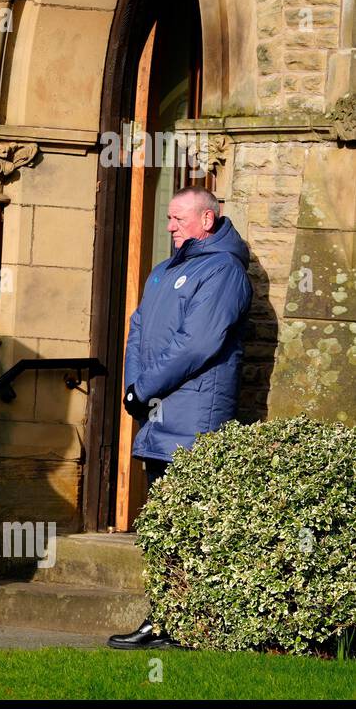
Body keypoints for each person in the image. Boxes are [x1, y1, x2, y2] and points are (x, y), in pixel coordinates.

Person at [108, 186, 253, 650]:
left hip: (193, 416)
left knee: (188, 526)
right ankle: (167, 619)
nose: (169, 227)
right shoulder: (165, 270)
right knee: (165, 525)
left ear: (207, 219)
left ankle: (183, 625)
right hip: (158, 414)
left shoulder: (223, 270)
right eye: (169, 219)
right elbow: (138, 328)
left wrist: (144, 388)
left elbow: (197, 343)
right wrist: (134, 386)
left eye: (177, 219)